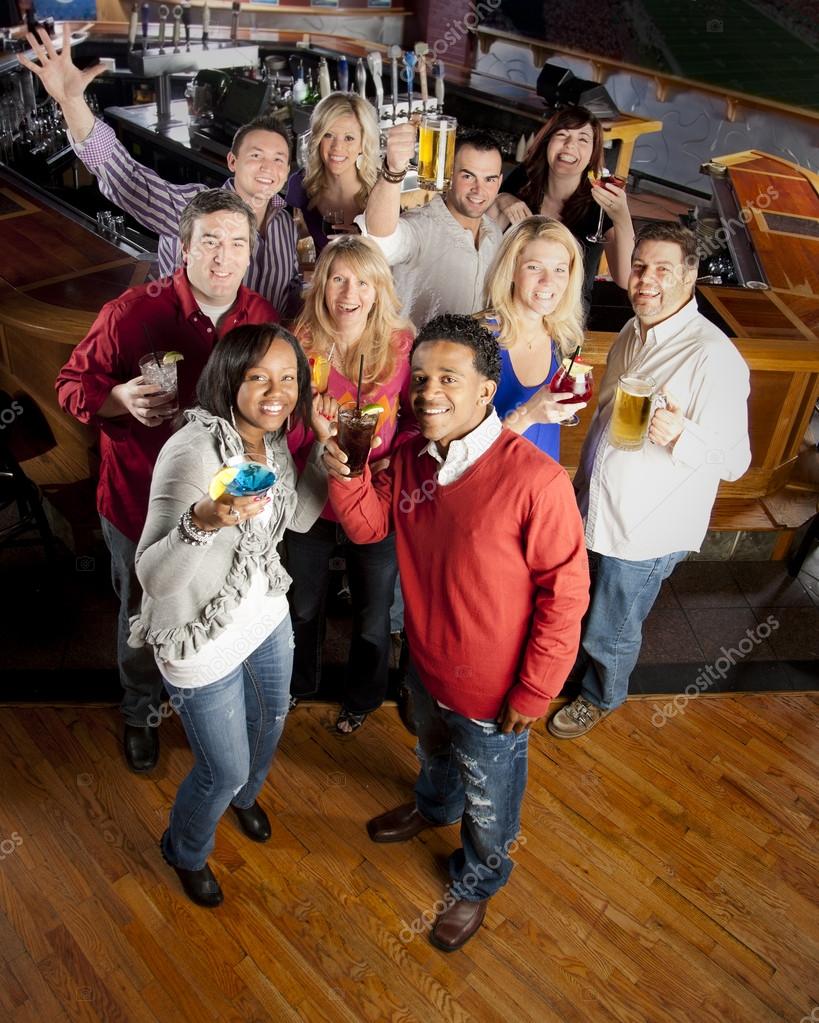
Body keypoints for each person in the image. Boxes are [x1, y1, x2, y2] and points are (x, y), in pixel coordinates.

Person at [324, 314, 589, 951]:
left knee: (492, 802)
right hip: (426, 661)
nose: (428, 391)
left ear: (484, 390)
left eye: (448, 377)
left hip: (495, 687)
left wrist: (535, 690)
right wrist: (344, 471)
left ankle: (477, 881)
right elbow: (367, 527)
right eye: (419, 378)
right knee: (433, 753)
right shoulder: (413, 458)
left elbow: (566, 595)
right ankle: (432, 808)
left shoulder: (536, 481)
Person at [56, 189, 278, 774]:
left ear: (251, 252)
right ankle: (138, 710)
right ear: (183, 248)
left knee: (214, 599)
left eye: (236, 243)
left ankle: (197, 699)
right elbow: (71, 386)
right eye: (209, 241)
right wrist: (116, 397)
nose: (222, 257)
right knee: (143, 611)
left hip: (227, 506)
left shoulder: (260, 318)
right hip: (138, 501)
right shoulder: (131, 312)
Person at [129, 324, 330, 906]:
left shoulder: (272, 438)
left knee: (268, 731)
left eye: (289, 377)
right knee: (222, 769)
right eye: (259, 376)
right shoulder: (190, 451)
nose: (278, 390)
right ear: (229, 379)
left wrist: (323, 458)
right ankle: (185, 849)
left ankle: (245, 798)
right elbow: (152, 578)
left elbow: (296, 521)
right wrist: (203, 523)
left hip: (263, 615)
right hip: (197, 633)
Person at [548, 222, 751, 740]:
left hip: (645, 527)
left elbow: (735, 461)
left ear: (691, 275)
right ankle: (575, 673)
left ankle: (602, 696)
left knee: (612, 626)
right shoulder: (632, 331)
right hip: (597, 503)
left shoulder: (713, 356)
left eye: (664, 269)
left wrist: (683, 433)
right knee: (583, 603)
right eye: (640, 267)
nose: (646, 280)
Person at [20, 25, 300, 314]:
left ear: (287, 169)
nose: (269, 166)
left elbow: (287, 289)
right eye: (256, 155)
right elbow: (127, 178)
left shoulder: (285, 225)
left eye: (278, 159)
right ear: (232, 162)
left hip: (266, 353)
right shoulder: (194, 207)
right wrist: (72, 102)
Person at [287, 235, 415, 733]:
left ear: (379, 289)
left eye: (362, 281)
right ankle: (300, 686)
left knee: (372, 613)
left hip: (373, 499)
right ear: (322, 286)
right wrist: (310, 429)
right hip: (312, 496)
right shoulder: (298, 343)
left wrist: (396, 460)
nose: (349, 292)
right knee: (302, 603)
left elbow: (416, 423)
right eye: (338, 278)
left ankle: (363, 698)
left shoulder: (402, 346)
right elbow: (279, 425)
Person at [356, 127, 503, 328]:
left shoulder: (496, 234)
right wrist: (394, 170)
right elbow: (381, 239)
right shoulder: (422, 226)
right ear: (448, 173)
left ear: (500, 181)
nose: (479, 189)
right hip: (415, 357)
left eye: (490, 179)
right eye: (468, 176)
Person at [489, 106, 634, 304]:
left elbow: (626, 279)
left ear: (593, 153)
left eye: (582, 139)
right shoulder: (524, 178)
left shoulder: (599, 201)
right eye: (562, 134)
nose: (569, 145)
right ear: (548, 141)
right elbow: (482, 250)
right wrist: (501, 198)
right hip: (511, 304)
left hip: (566, 316)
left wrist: (622, 215)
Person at [478, 216, 587, 459]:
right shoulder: (476, 337)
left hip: (542, 488)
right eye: (534, 267)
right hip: (490, 490)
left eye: (560, 269)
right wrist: (527, 414)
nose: (549, 281)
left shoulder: (563, 340)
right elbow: (458, 451)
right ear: (512, 271)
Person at [286, 92, 380, 255]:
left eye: (349, 138)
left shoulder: (381, 191)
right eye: (328, 135)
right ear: (318, 139)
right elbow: (291, 250)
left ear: (362, 144)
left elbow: (398, 260)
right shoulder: (300, 185)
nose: (337, 147)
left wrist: (366, 244)